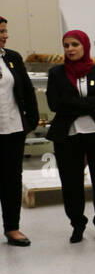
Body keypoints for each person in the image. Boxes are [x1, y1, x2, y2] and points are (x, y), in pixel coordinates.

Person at [46, 29, 95, 243]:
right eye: (66, 45)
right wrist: (89, 104)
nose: (70, 49)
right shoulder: (56, 73)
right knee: (71, 183)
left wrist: (71, 102)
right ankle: (77, 224)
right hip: (68, 135)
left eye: (75, 44)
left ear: (85, 46)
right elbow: (54, 104)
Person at [1, 16, 40, 246]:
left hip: (12, 130)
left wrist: (31, 121)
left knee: (12, 181)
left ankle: (12, 228)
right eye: (1, 31)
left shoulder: (12, 58)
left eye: (6, 31)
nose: (5, 35)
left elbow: (26, 88)